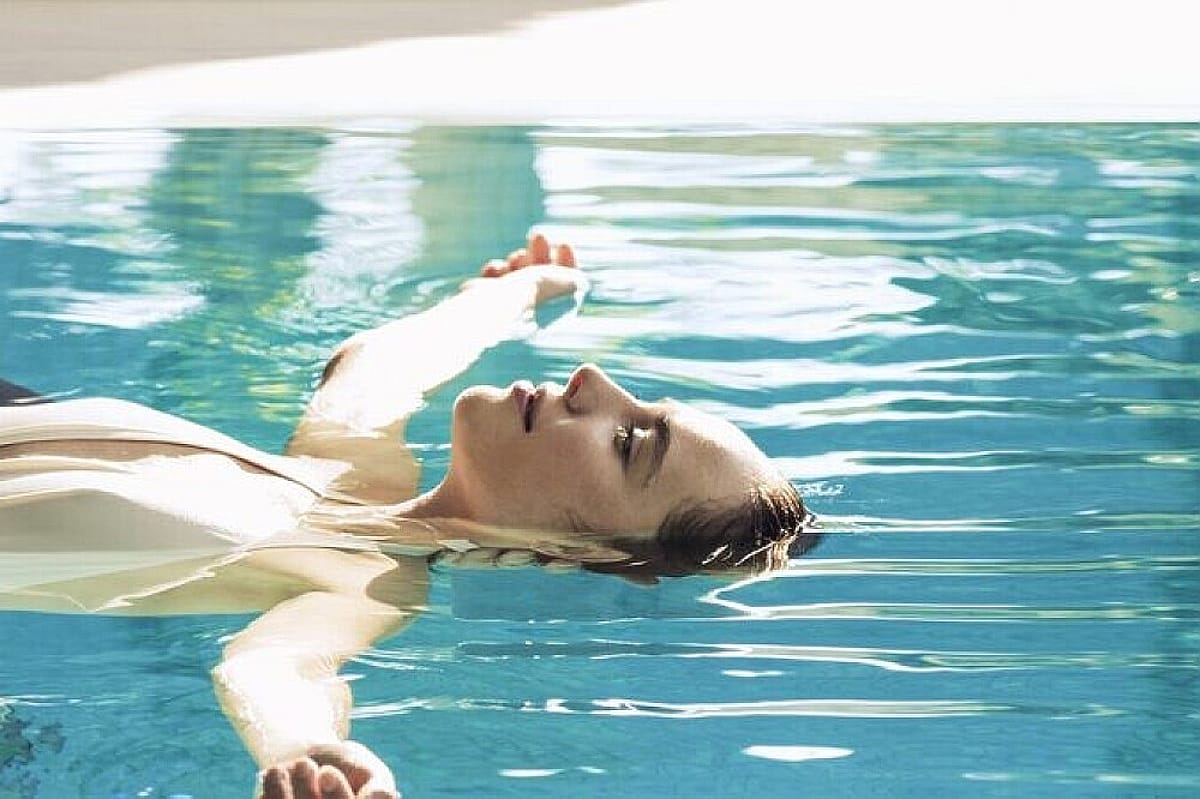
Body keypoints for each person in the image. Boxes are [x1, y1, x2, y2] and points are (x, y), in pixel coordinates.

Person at [0, 232, 819, 798]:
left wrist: (307, 752)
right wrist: (511, 293)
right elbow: (378, 361)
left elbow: (276, 669)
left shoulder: (366, 586)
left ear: (592, 553)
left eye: (632, 441)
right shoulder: (360, 472)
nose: (593, 380)